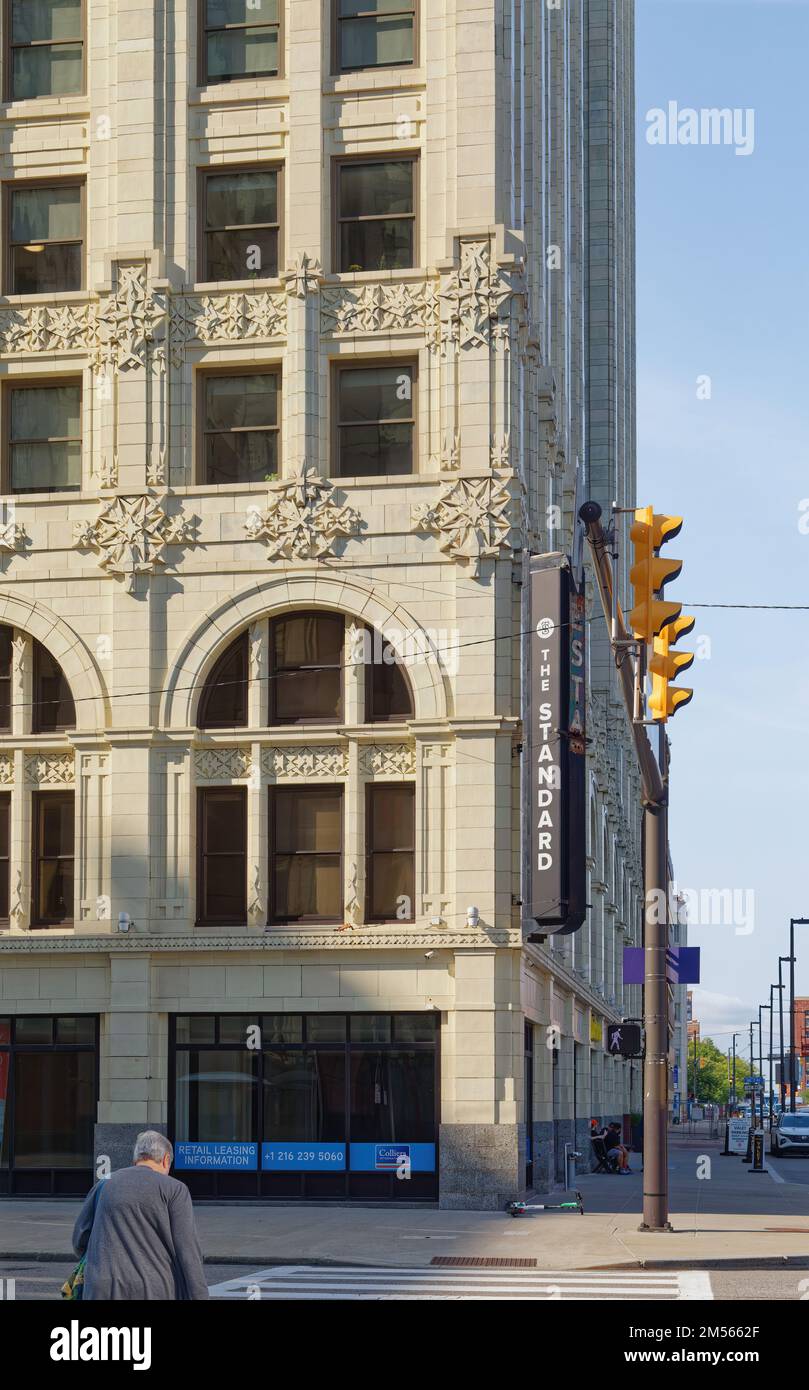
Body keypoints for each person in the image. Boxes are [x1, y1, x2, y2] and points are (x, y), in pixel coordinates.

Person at [71, 1130, 209, 1300]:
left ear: (136, 1158)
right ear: (166, 1160)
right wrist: (199, 1295)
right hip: (154, 1287)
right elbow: (188, 1251)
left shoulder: (104, 1182)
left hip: (102, 1287)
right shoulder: (174, 1189)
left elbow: (80, 1239)